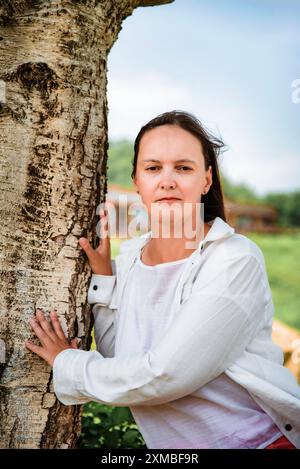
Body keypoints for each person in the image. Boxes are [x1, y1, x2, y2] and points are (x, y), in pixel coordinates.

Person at [25, 110, 300, 449]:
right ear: (138, 181)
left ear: (207, 180)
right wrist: (105, 280)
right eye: (153, 168)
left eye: (183, 168)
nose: (167, 180)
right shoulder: (129, 260)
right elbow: (119, 359)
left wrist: (68, 364)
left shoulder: (232, 260)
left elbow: (163, 376)